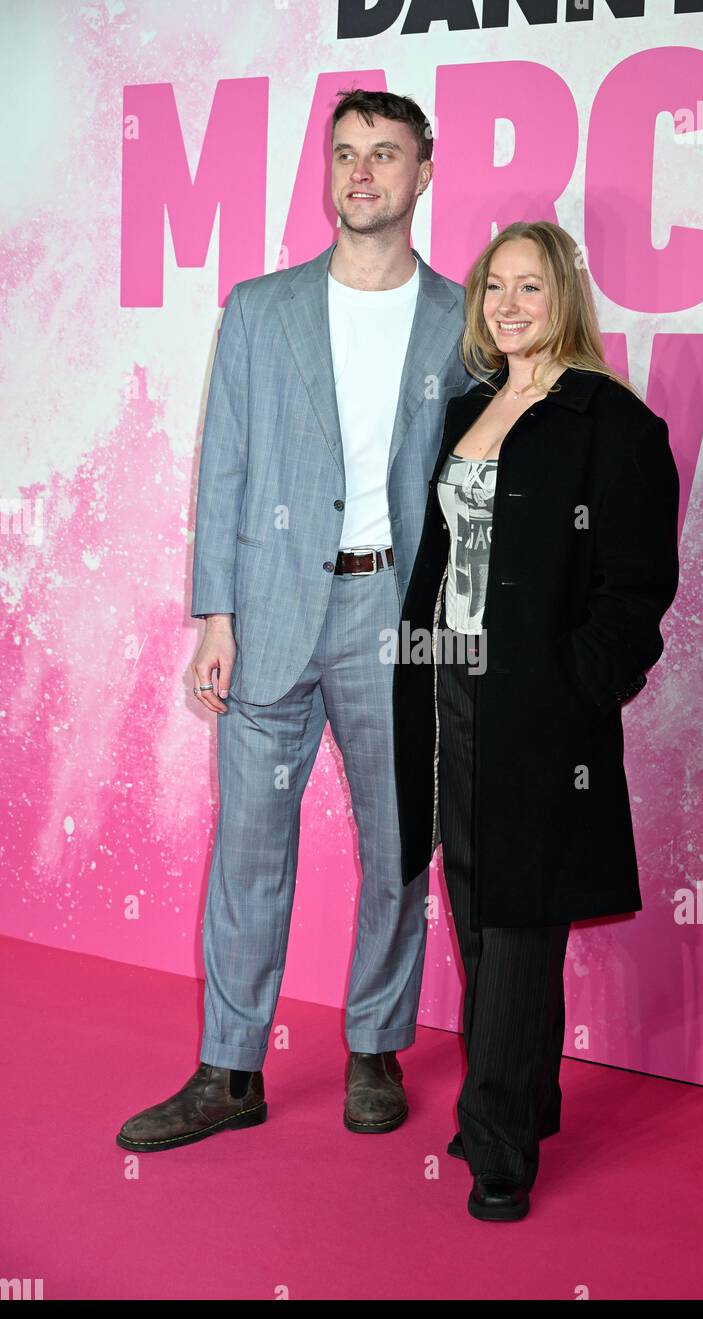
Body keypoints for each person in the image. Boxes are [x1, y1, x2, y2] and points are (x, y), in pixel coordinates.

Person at [116, 89, 475, 1153]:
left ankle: (375, 1042)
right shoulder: (260, 308)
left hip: (393, 613)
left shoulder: (463, 321)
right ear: (328, 173)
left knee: (400, 845)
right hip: (268, 613)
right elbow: (222, 465)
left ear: (422, 171)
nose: (361, 172)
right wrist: (214, 613)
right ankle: (230, 1070)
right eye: (345, 154)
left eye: (384, 154)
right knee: (247, 850)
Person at [392, 221, 681, 1220]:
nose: (508, 304)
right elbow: (439, 554)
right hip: (453, 684)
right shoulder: (471, 405)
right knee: (477, 903)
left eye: (529, 286)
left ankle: (498, 1147)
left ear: (563, 298)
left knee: (519, 917)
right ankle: (530, 1098)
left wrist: (574, 685)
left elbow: (635, 588)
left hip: (540, 706)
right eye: (492, 288)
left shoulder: (612, 423)